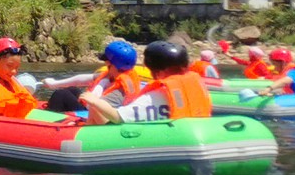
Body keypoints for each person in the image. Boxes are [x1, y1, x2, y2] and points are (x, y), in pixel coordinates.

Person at [85, 41, 214, 124]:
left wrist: (94, 101)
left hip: (166, 141)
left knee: (96, 109)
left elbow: (118, 117)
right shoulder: (197, 86)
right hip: (195, 131)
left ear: (154, 70)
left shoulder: (154, 97)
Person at [41, 40, 142, 114]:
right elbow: (81, 79)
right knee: (72, 90)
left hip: (97, 113)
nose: (105, 62)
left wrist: (100, 86)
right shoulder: (116, 73)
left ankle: (47, 121)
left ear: (112, 64)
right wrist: (54, 84)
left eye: (107, 62)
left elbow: (97, 109)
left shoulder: (120, 91)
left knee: (61, 95)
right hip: (95, 106)